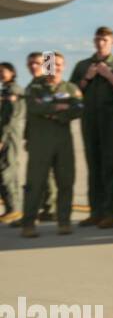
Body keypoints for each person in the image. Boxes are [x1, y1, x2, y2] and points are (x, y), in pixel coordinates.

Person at [71, 27, 113, 228]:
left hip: (111, 119)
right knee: (94, 165)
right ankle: (96, 212)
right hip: (89, 119)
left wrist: (110, 76)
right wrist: (87, 78)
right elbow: (71, 92)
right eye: (98, 39)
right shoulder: (82, 65)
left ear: (112, 42)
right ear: (94, 41)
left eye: (105, 40)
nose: (101, 43)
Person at [18, 53, 84, 238]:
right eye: (52, 64)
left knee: (66, 181)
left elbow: (78, 108)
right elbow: (34, 107)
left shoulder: (70, 87)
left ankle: (64, 222)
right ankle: (28, 223)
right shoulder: (35, 87)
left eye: (60, 64)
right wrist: (59, 107)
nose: (56, 67)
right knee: (35, 184)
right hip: (40, 142)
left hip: (63, 142)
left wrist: (56, 113)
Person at [12, 52, 53, 225]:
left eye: (36, 63)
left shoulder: (47, 82)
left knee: (41, 175)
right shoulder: (31, 85)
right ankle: (47, 209)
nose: (32, 66)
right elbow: (30, 115)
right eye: (29, 64)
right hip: (35, 135)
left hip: (48, 134)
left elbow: (51, 98)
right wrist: (27, 137)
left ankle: (46, 210)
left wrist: (48, 59)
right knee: (41, 175)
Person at [0, 61, 24, 224]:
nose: (1, 74)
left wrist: (1, 138)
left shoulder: (13, 90)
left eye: (4, 71)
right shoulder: (7, 90)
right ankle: (13, 209)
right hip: (7, 134)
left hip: (9, 136)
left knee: (7, 171)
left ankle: (14, 209)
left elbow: (10, 117)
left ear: (12, 72)